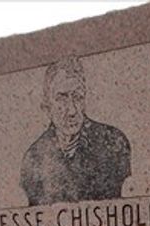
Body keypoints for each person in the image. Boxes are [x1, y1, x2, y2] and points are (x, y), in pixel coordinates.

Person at [20, 57, 131, 206]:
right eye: (62, 99)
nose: (72, 110)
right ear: (46, 107)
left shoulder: (112, 142)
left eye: (77, 97)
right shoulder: (34, 157)